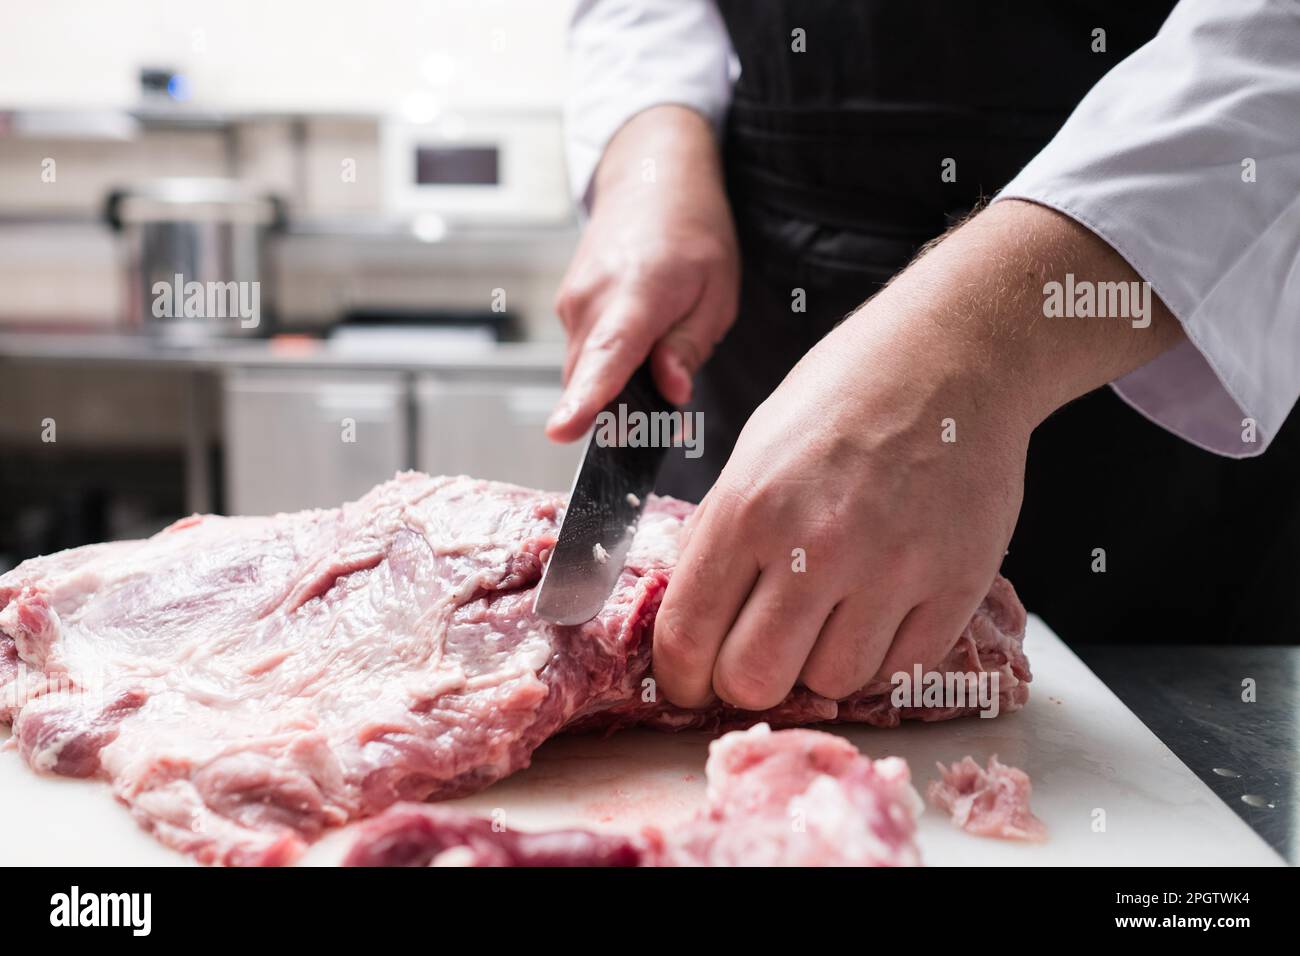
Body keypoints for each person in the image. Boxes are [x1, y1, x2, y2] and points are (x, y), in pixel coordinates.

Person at [546, 0, 1300, 712]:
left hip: (1153, 333)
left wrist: (977, 352)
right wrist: (653, 156)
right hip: (759, 285)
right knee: (706, 653)